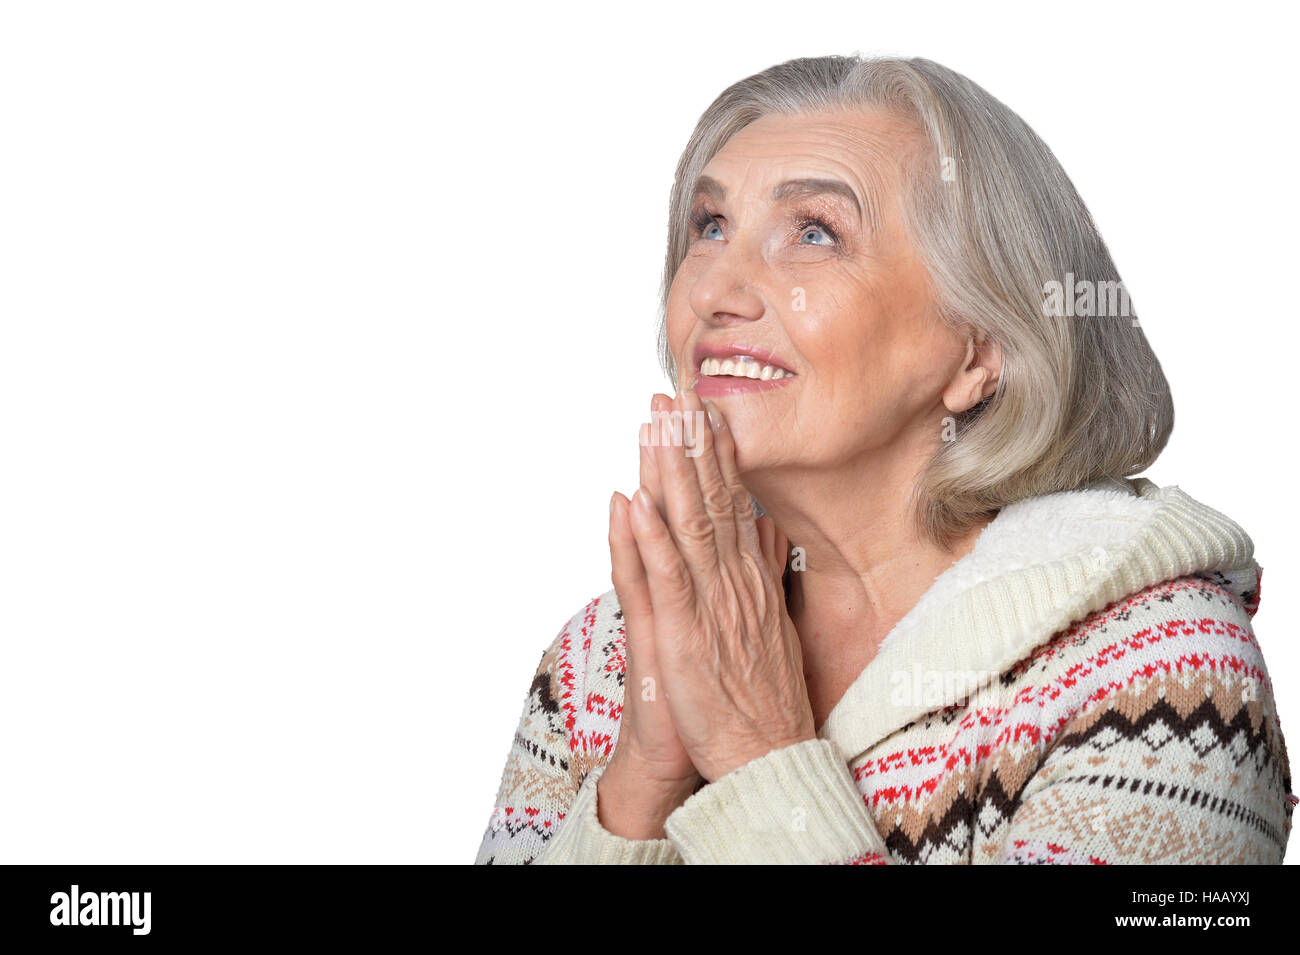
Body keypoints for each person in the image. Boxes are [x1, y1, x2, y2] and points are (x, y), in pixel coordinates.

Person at [474, 54, 1293, 865]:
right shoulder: (602, 660)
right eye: (710, 226)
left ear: (978, 350)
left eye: (815, 233)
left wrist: (756, 751)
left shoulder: (1166, 675)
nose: (715, 290)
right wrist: (640, 788)